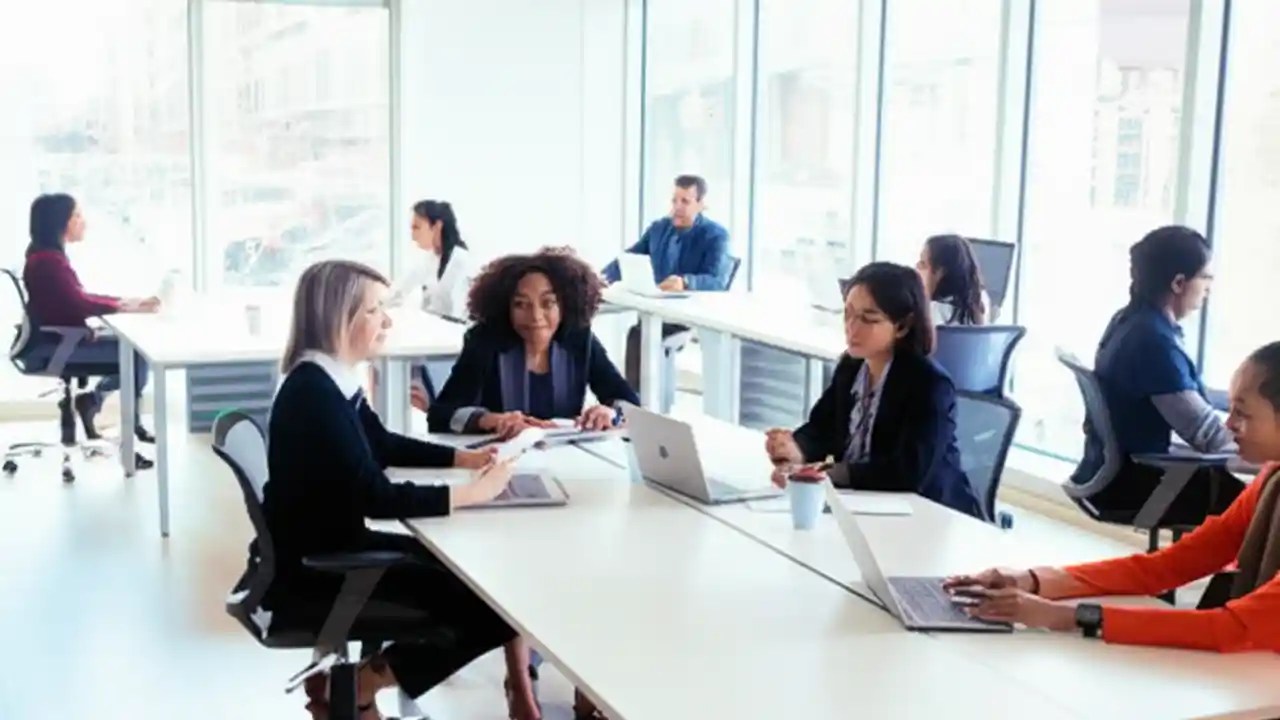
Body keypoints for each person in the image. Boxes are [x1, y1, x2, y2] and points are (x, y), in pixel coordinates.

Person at [256, 259, 539, 720]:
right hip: (320, 566)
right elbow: (376, 497)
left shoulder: (327, 378)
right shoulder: (314, 394)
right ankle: (360, 684)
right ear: (338, 317)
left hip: (326, 545)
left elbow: (379, 443)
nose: (386, 320)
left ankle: (357, 686)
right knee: (496, 604)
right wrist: (474, 493)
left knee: (483, 583)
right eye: (374, 310)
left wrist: (462, 459)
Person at [947, 342, 1280, 652]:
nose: (1228, 425)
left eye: (1243, 414)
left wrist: (1065, 617)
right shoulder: (1271, 481)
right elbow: (1169, 566)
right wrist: (1031, 580)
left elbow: (1234, 628)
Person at [764, 262, 982, 518]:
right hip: (861, 506)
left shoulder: (928, 384)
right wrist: (796, 450)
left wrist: (828, 473)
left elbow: (909, 473)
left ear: (902, 326)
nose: (852, 328)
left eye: (868, 319)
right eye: (848, 314)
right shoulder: (851, 366)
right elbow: (822, 428)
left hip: (928, 515)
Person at [1071, 225, 1242, 525]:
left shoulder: (1132, 321)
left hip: (1123, 473)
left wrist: (1243, 403)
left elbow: (1187, 394)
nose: (1209, 289)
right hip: (1141, 485)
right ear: (1179, 283)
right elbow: (1208, 436)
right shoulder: (1154, 345)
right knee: (1264, 496)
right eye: (1205, 278)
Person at [428, 247, 638, 439]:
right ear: (506, 308)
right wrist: (491, 420)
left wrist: (611, 413)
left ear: (564, 306)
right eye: (521, 304)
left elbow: (630, 405)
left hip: (566, 460)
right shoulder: (486, 341)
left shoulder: (579, 340)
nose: (535, 316)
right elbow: (441, 415)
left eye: (548, 303)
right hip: (500, 459)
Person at [21, 193, 159, 466]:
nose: (83, 222)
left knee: (131, 349)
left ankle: (97, 404)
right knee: (136, 355)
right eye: (77, 216)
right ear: (60, 222)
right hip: (57, 345)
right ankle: (121, 433)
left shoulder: (44, 256)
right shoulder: (49, 262)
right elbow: (76, 301)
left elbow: (67, 302)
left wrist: (119, 306)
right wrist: (124, 305)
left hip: (58, 337)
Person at [600, 174, 732, 392]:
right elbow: (628, 258)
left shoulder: (716, 236)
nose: (677, 207)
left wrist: (686, 282)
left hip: (687, 317)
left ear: (701, 205)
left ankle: (640, 405)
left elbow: (717, 281)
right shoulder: (659, 229)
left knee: (640, 337)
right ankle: (635, 404)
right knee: (638, 334)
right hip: (656, 310)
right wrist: (603, 277)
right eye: (674, 200)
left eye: (685, 201)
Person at [388, 200, 475, 411]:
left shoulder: (462, 261)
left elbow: (460, 312)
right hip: (435, 340)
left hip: (454, 346)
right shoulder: (428, 261)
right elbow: (399, 291)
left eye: (417, 227)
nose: (412, 235)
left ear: (437, 226)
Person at [915, 234, 989, 326]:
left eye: (923, 264)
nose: (916, 267)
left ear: (940, 272)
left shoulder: (933, 311)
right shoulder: (981, 305)